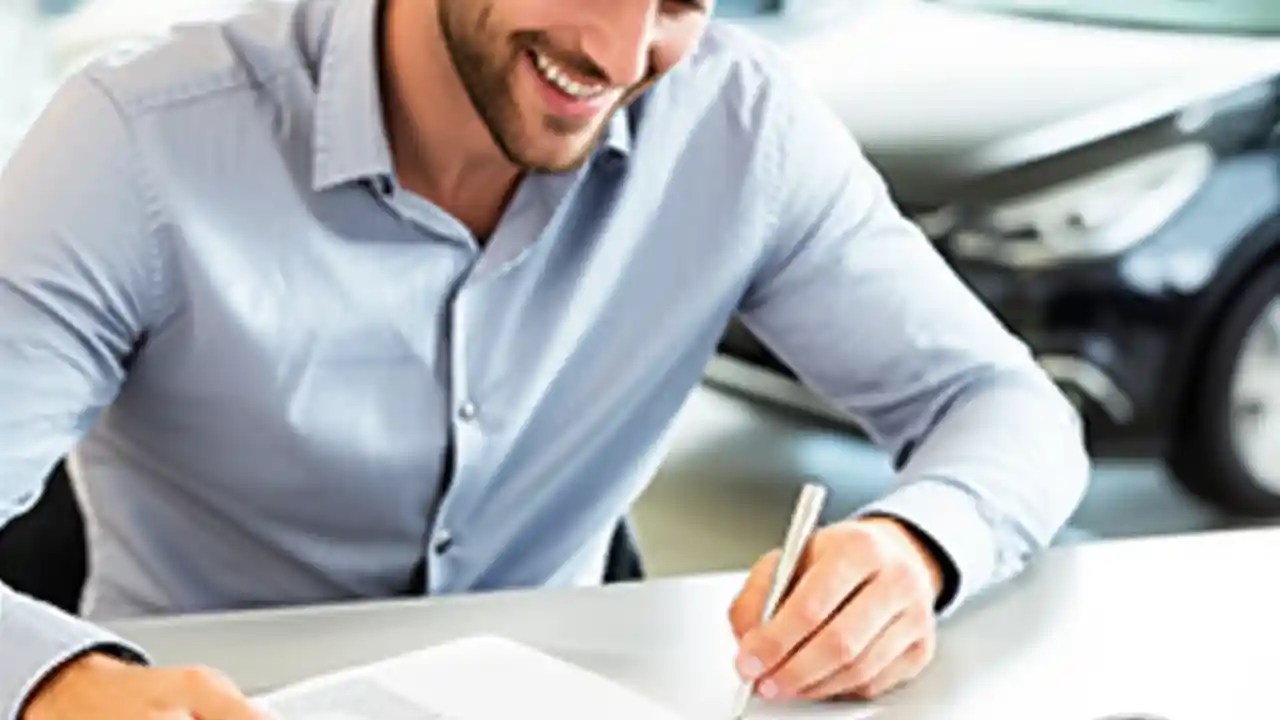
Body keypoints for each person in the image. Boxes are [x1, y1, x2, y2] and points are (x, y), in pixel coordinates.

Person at [0, 0, 1090, 717]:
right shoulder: (135, 140)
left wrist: (914, 545)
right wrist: (53, 683)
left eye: (674, 3)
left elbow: (1001, 404)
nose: (618, 60)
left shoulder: (739, 127)